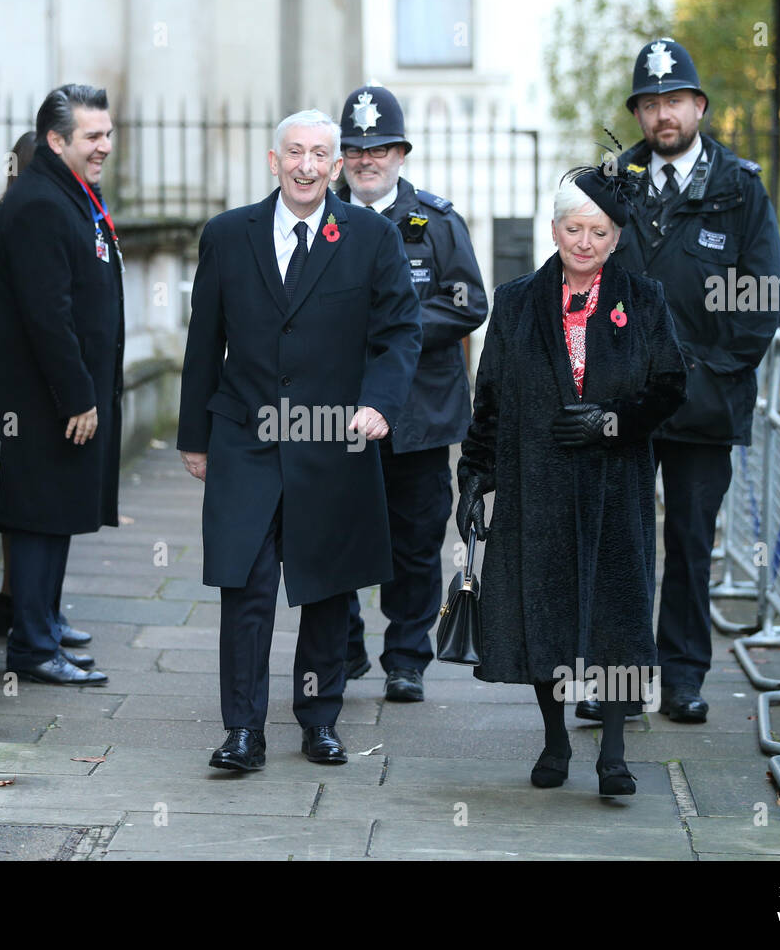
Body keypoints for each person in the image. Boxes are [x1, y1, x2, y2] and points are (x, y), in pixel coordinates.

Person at [177, 109, 422, 771]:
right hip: (244, 437)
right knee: (246, 587)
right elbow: (205, 342)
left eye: (320, 154)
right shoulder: (230, 235)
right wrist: (193, 437)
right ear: (273, 159)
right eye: (296, 153)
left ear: (337, 164)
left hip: (332, 441)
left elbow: (400, 331)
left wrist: (379, 403)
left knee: (326, 588)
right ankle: (243, 733)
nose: (307, 166)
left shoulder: (372, 237)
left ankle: (319, 723)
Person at [456, 163, 686, 795]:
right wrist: (476, 472)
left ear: (616, 238)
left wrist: (611, 422)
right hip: (538, 483)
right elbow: (492, 395)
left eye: (600, 231)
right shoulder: (516, 301)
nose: (585, 243)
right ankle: (555, 741)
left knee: (616, 613)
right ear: (554, 228)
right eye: (574, 228)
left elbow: (670, 386)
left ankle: (613, 752)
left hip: (616, 484)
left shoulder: (643, 300)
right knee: (543, 612)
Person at [589, 38, 780, 724]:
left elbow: (762, 299)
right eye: (650, 104)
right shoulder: (615, 184)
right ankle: (614, 678)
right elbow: (583, 276)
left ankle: (682, 677)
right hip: (626, 401)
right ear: (639, 115)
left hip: (705, 402)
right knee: (621, 542)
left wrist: (705, 375)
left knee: (691, 544)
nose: (662, 114)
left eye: (674, 101)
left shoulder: (739, 187)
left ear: (698, 106)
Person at [0, 84, 125, 685]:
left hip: (57, 397)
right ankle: (32, 647)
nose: (105, 145)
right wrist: (77, 394)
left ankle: (44, 629)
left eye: (107, 133)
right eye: (93, 136)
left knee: (54, 516)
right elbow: (46, 313)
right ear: (56, 141)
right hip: (38, 404)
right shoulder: (39, 203)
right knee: (36, 518)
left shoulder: (70, 195)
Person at [335, 84, 488, 703]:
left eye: (378, 148)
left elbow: (470, 302)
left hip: (421, 412)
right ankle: (342, 648)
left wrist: (397, 327)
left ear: (401, 152)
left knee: (417, 537)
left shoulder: (436, 222)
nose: (366, 160)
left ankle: (406, 656)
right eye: (354, 149)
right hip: (339, 411)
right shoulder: (318, 218)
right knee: (337, 533)